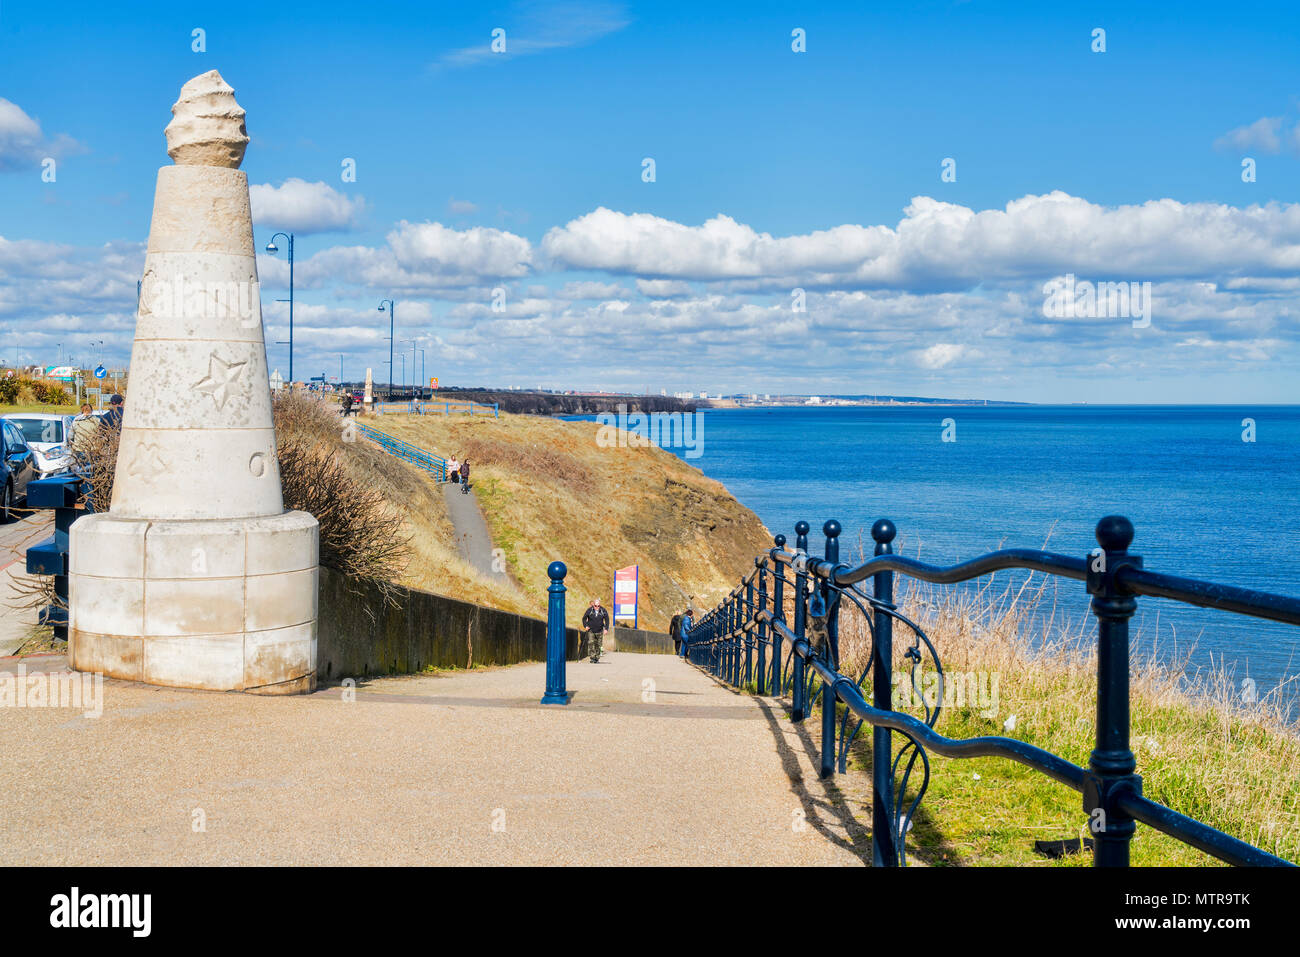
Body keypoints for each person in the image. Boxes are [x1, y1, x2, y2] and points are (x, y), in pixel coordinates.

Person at [581, 598, 610, 663]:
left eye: (598, 606)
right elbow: (584, 618)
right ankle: (592, 658)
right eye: (595, 606)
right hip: (591, 630)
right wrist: (586, 626)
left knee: (598, 645)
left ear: (600, 605)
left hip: (600, 630)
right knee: (591, 643)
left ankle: (597, 658)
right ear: (593, 605)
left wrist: (606, 629)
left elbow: (607, 620)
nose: (597, 607)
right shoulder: (589, 610)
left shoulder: (603, 610)